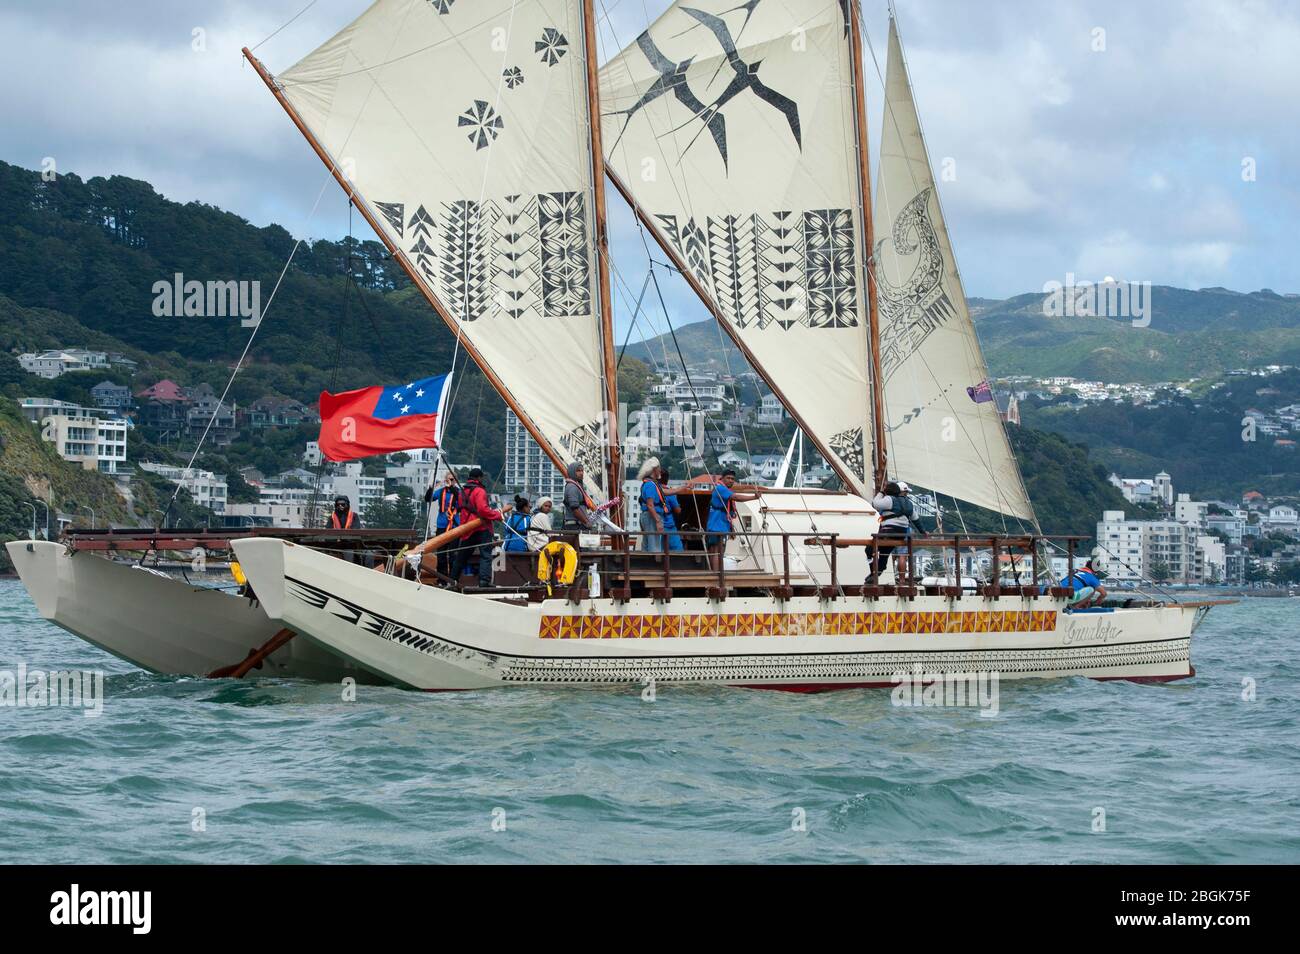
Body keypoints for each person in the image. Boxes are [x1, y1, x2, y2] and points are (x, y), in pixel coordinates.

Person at [451, 469, 511, 587]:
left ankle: (453, 580)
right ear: (479, 478)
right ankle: (484, 581)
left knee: (462, 555)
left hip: (467, 527)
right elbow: (483, 510)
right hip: (481, 527)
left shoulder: (462, 491)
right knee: (485, 554)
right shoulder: (479, 491)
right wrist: (497, 515)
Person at [705, 470, 758, 571]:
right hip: (717, 525)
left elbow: (727, 512)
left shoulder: (721, 489)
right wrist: (754, 497)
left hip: (719, 525)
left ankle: (716, 575)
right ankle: (717, 576)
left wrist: (731, 528)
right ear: (722, 478)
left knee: (717, 551)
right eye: (728, 478)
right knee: (717, 551)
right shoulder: (720, 488)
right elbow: (736, 497)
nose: (730, 481)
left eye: (732, 479)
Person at [868, 481, 917, 582]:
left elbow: (875, 504)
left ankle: (877, 572)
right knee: (898, 554)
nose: (906, 494)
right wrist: (923, 532)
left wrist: (881, 492)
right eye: (906, 492)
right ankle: (901, 579)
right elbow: (915, 519)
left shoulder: (889, 500)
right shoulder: (908, 503)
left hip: (888, 531)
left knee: (876, 550)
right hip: (904, 532)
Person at [424, 471, 461, 580]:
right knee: (441, 555)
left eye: (452, 479)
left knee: (453, 555)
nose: (450, 481)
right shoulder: (441, 492)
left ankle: (453, 579)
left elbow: (462, 501)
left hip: (454, 526)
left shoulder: (458, 492)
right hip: (442, 525)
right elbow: (428, 499)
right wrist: (431, 488)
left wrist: (452, 487)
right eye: (448, 479)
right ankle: (442, 578)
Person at [637, 458, 668, 553]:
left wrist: (682, 488)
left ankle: (646, 566)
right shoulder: (651, 485)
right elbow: (650, 505)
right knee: (654, 548)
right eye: (659, 468)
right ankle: (654, 566)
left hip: (647, 517)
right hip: (652, 518)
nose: (660, 470)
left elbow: (665, 492)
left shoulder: (648, 484)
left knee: (646, 546)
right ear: (654, 469)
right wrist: (658, 521)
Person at [562, 462, 596, 532]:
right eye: (578, 471)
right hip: (575, 526)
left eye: (582, 470)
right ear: (572, 472)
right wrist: (586, 522)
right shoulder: (572, 487)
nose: (581, 473)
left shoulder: (577, 486)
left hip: (578, 524)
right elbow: (575, 509)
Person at [659, 470, 685, 552]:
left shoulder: (654, 489)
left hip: (656, 524)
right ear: (667, 479)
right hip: (668, 525)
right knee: (677, 549)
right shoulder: (670, 493)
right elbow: (678, 510)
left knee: (659, 549)